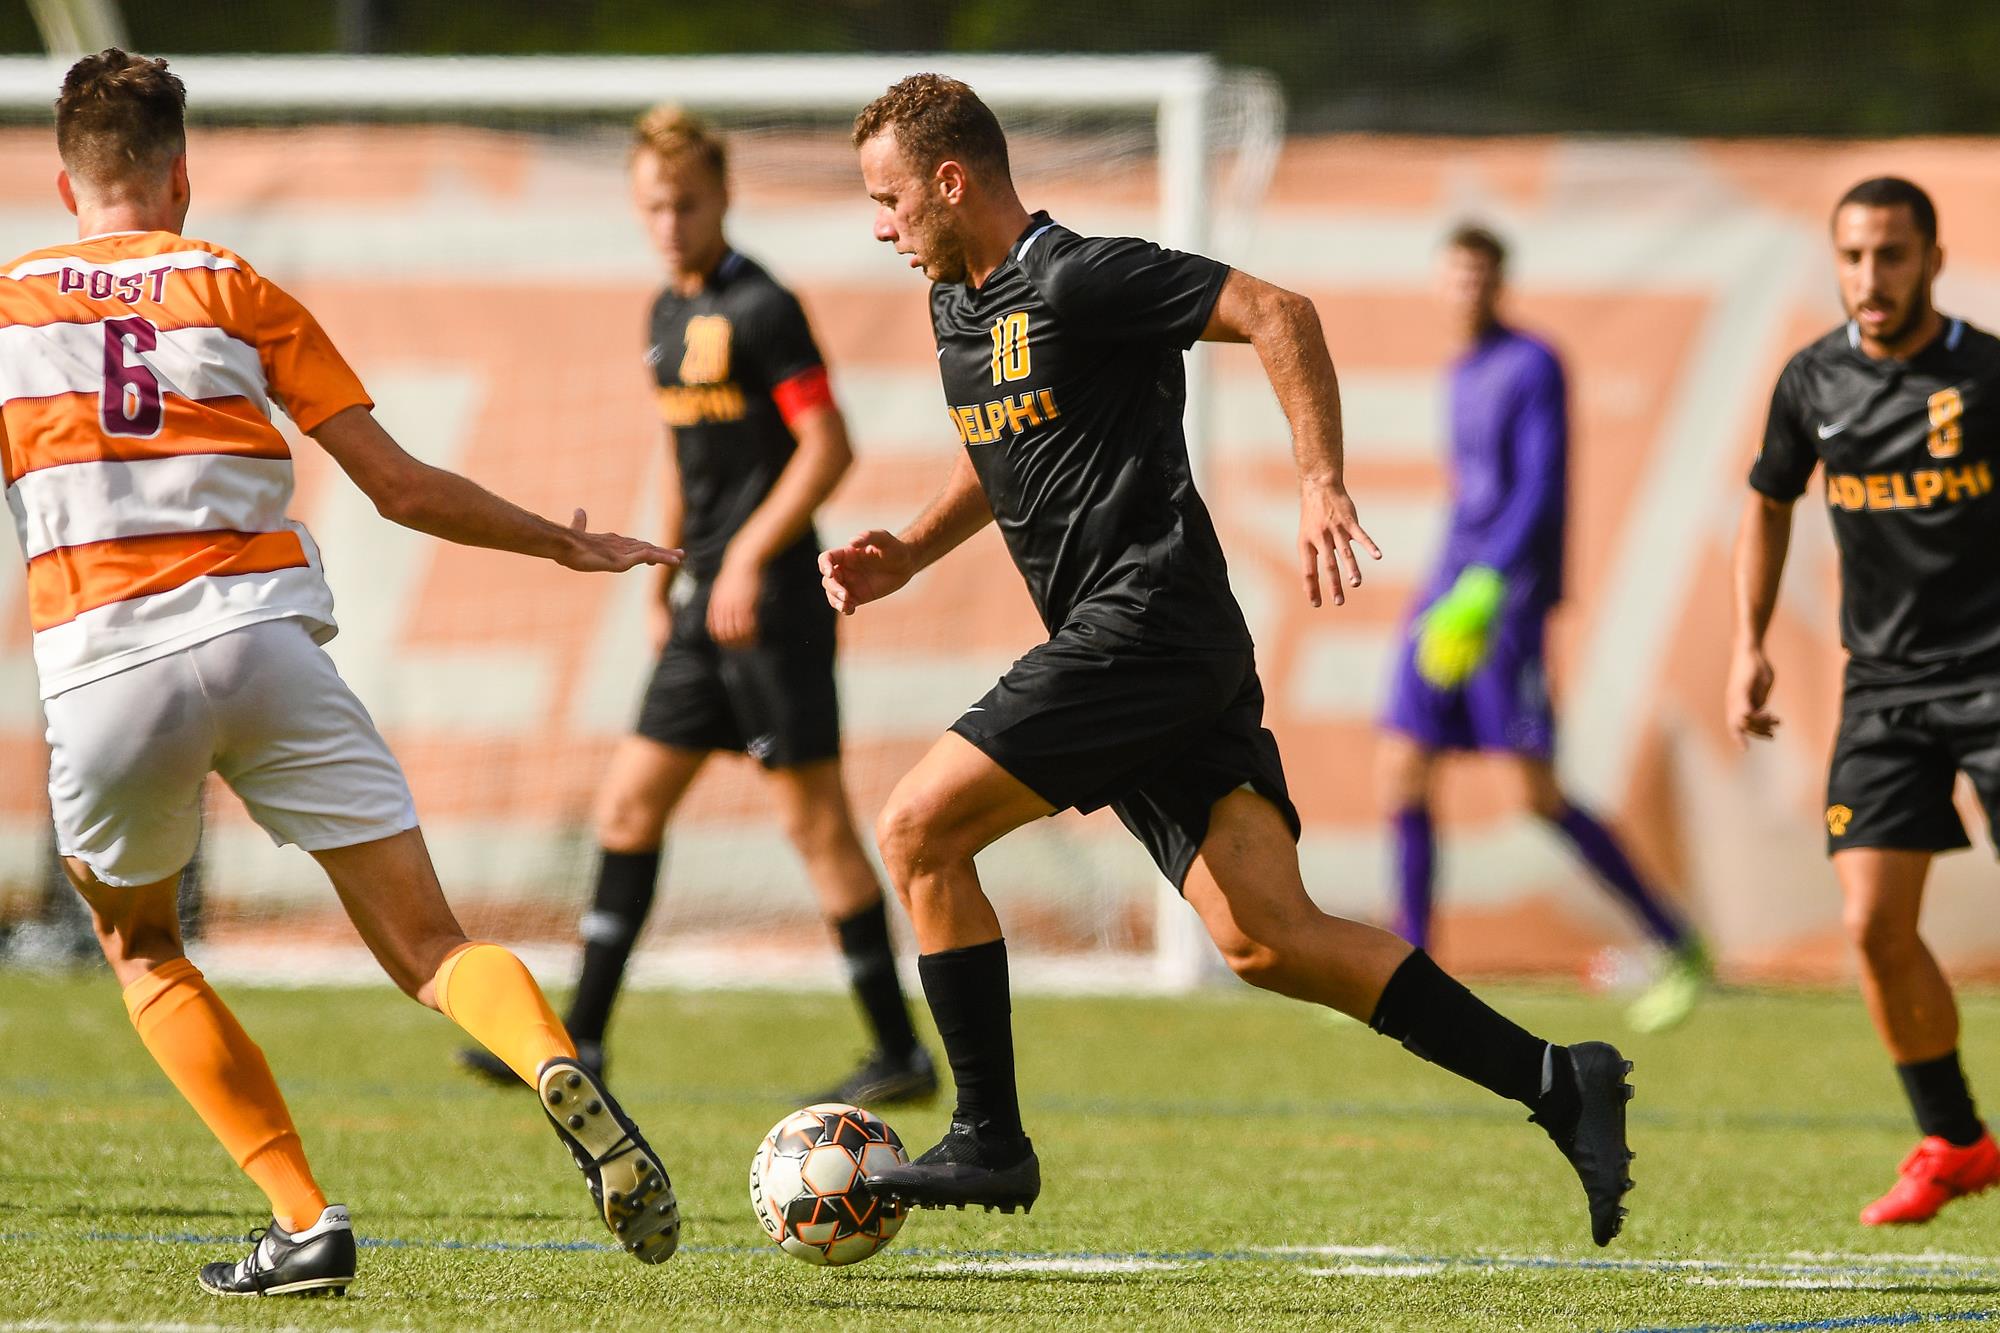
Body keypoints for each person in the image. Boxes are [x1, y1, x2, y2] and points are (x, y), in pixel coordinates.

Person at [821, 73, 1636, 1246]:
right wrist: (906, 547)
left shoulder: (1077, 275)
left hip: (1146, 623)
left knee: (915, 828)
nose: (881, 225)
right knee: (1267, 937)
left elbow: (1277, 310)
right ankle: (1560, 1080)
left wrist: (1318, 479)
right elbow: (998, 453)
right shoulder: (957, 306)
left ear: (951, 182)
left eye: (889, 200)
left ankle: (989, 1134)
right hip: (1151, 650)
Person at [9, 50, 683, 1295]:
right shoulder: (240, 289)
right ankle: (545, 1056)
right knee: (431, 946)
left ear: (65, 185)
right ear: (182, 175)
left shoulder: (8, 304)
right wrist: (562, 539)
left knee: (144, 946)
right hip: (265, 643)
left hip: (105, 664)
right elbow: (403, 487)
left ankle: (303, 1217)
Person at [455, 107, 935, 1105]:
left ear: (722, 199)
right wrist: (667, 568)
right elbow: (685, 453)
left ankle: (900, 1049)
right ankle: (581, 1039)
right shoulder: (663, 315)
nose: (668, 223)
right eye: (651, 207)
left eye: (684, 204)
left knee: (816, 828)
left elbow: (827, 446)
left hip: (768, 612)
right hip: (701, 607)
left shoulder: (762, 307)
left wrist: (751, 560)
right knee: (629, 805)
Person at [1729, 176, 2000, 1226]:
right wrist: (1746, 644)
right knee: (1870, 924)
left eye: (1889, 255)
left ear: (1930, 258)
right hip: (1883, 689)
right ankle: (1953, 1140)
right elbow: (1765, 504)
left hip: (1994, 674)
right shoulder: (1811, 380)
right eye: (1851, 256)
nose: (1868, 277)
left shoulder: (1983, 376)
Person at [1379, 223, 1711, 1033]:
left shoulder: (1534, 363)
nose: (1468, 290)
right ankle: (1408, 972)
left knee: (1537, 793)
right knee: (1403, 768)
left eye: (1481, 277)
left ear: (1501, 283)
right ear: (1439, 284)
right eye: (1455, 276)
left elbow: (1539, 485)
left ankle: (1678, 940)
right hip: (1449, 593)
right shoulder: (1459, 373)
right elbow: (1471, 493)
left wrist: (1493, 582)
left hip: (1506, 605)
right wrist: (1449, 587)